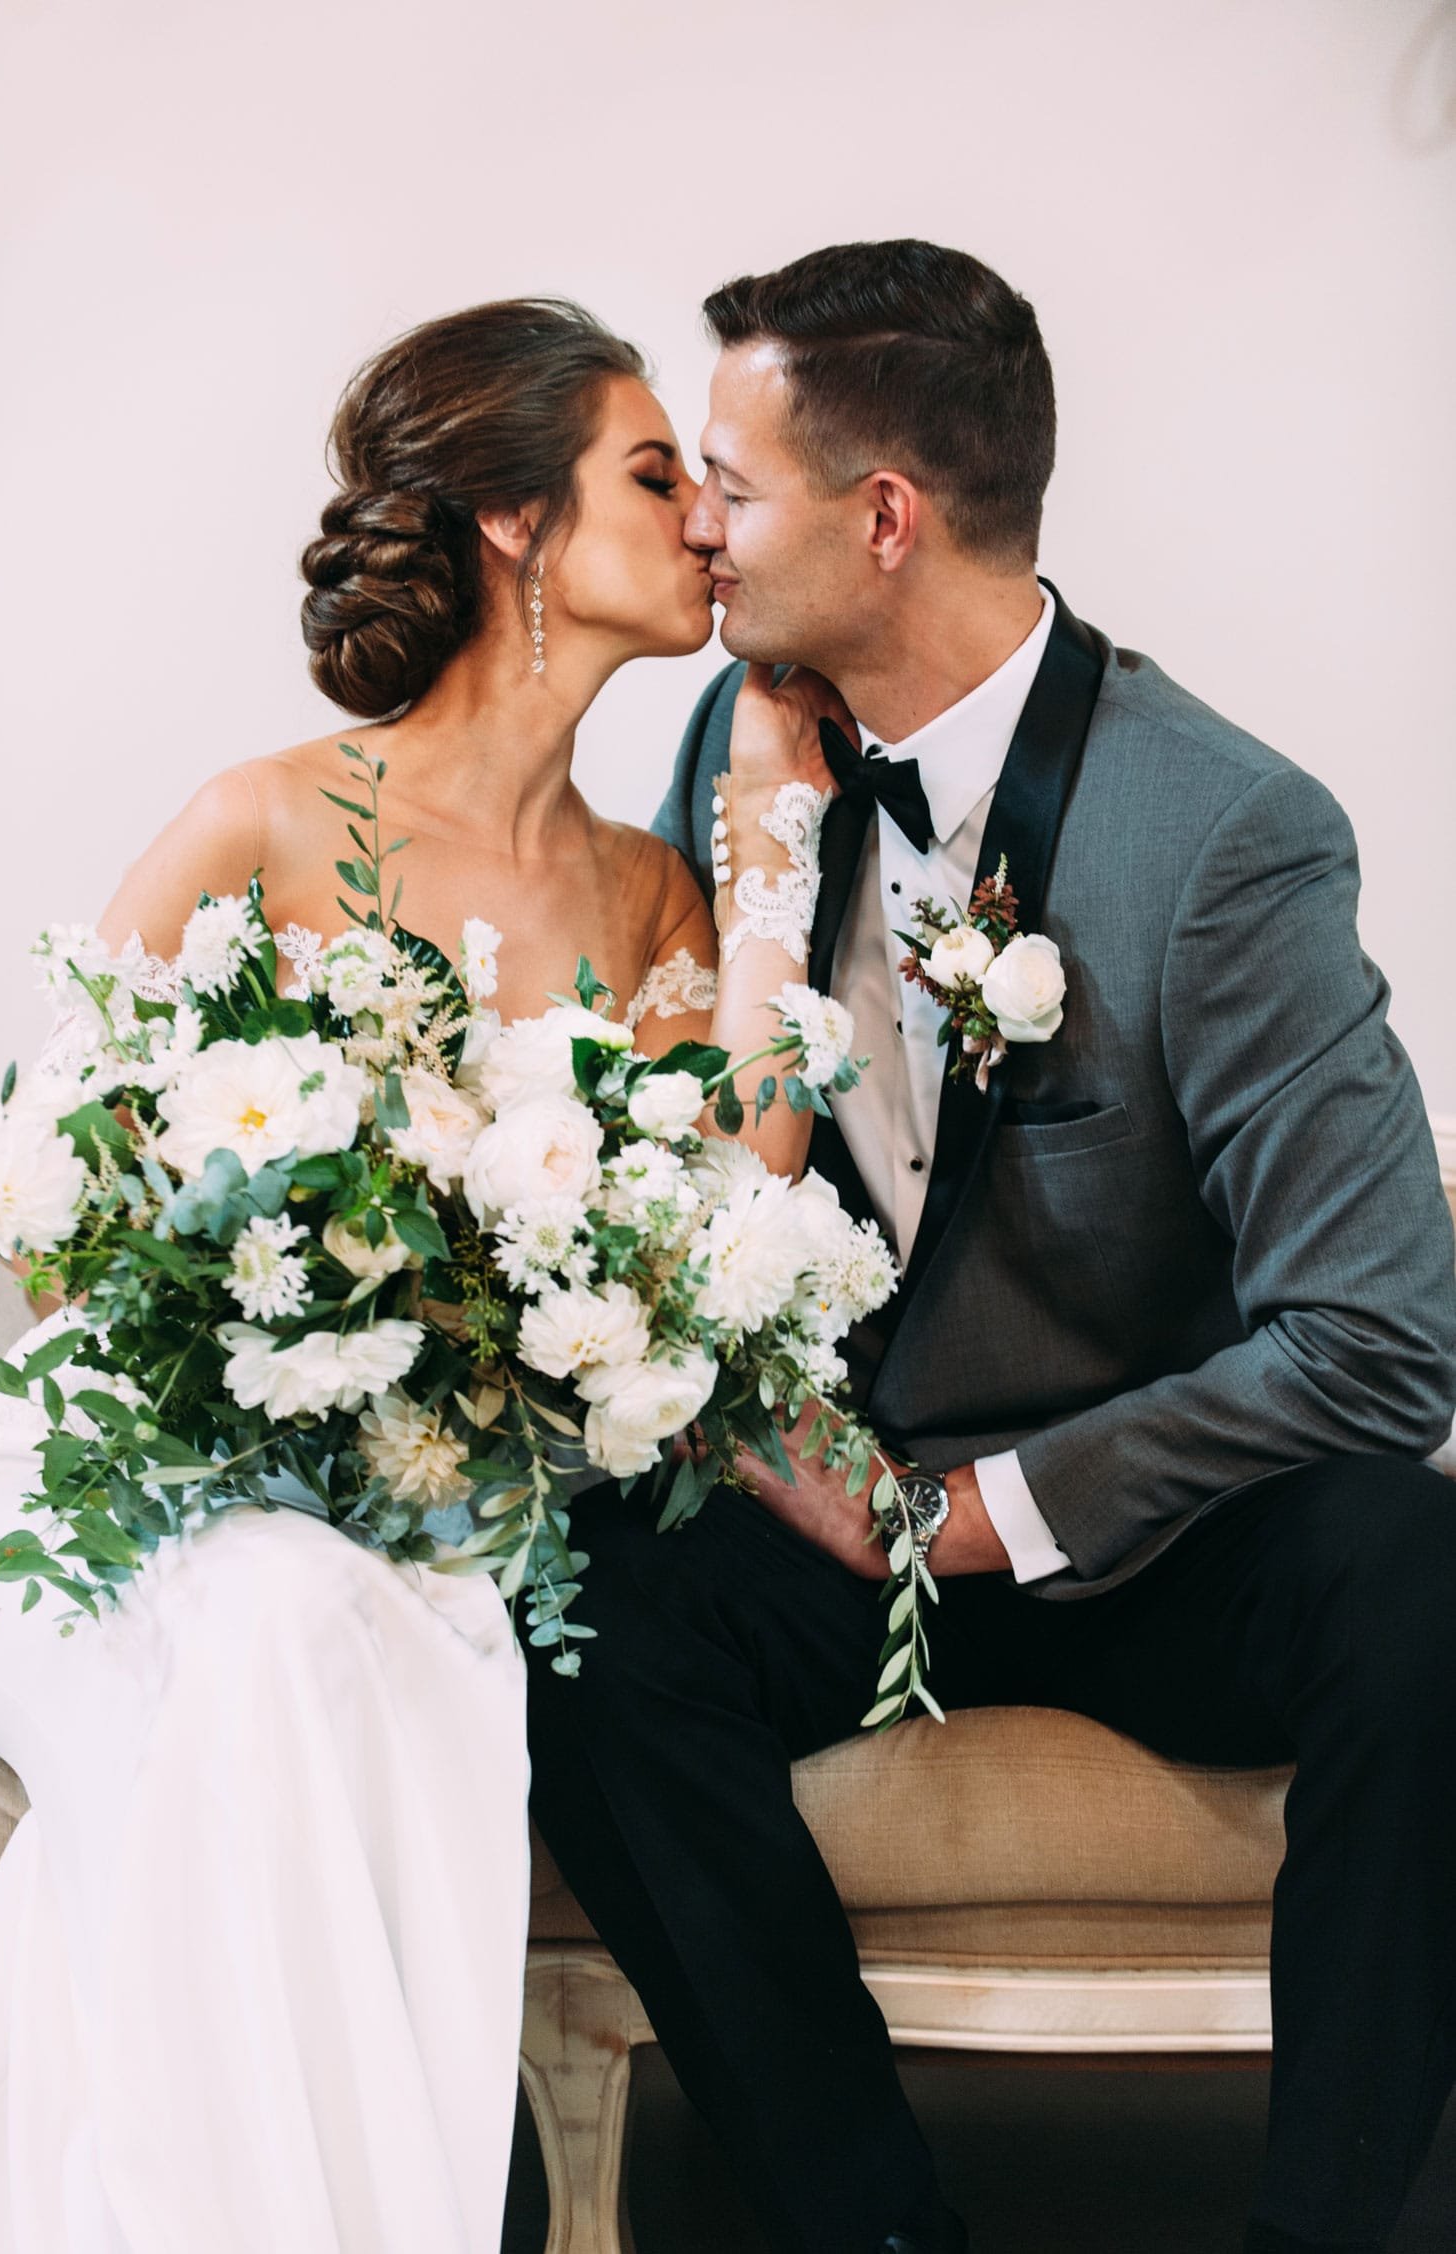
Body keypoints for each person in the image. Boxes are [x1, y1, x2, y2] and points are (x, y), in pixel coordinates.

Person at [523, 241, 1456, 2254]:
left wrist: (974, 1515)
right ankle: (868, 2223)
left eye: (729, 483)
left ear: (884, 518)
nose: (697, 525)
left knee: (1420, 1572)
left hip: (1153, 1531)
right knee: (581, 1613)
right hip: (840, 1509)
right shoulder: (740, 754)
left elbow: (1381, 1337)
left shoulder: (1225, 834)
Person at [0, 296, 834, 2253]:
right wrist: (265, 1294)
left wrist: (773, 817)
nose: (704, 516)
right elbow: (43, 1208)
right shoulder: (265, 818)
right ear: (517, 526)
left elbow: (736, 1196)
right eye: (650, 471)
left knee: (378, 1632)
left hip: (435, 1513)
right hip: (142, 1475)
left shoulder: (646, 894)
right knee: (271, 1610)